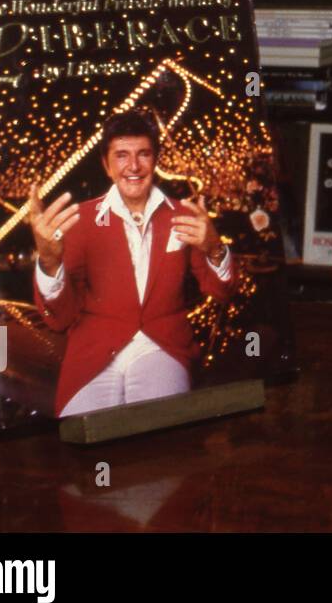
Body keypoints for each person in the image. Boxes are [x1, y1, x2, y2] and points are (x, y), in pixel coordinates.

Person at [29, 109, 235, 417]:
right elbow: (60, 318)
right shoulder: (79, 220)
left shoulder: (185, 214)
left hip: (164, 346)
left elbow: (223, 292)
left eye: (144, 154)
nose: (134, 166)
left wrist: (215, 248)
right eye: (122, 155)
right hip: (94, 352)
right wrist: (49, 262)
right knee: (82, 431)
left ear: (156, 160)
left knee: (157, 429)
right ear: (106, 165)